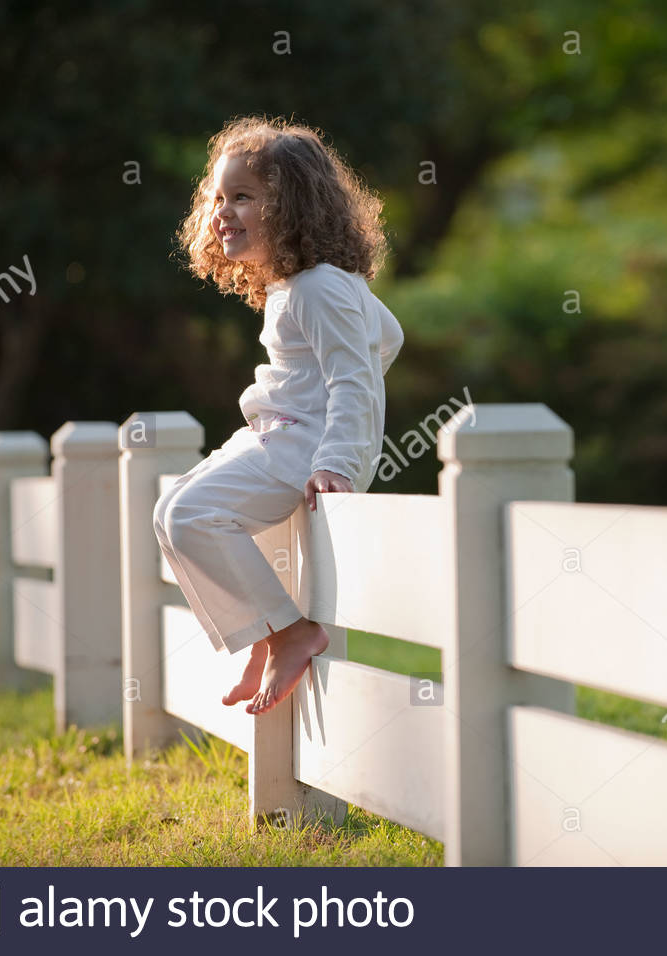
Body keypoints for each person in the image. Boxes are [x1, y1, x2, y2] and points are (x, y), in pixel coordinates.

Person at [154, 115, 403, 717]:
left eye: (243, 197)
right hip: (282, 435)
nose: (222, 211)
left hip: (305, 446)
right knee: (170, 513)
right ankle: (268, 635)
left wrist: (338, 458)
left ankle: (289, 633)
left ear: (291, 208)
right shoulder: (308, 285)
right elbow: (386, 338)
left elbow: (354, 375)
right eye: (218, 197)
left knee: (191, 515)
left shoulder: (319, 286)